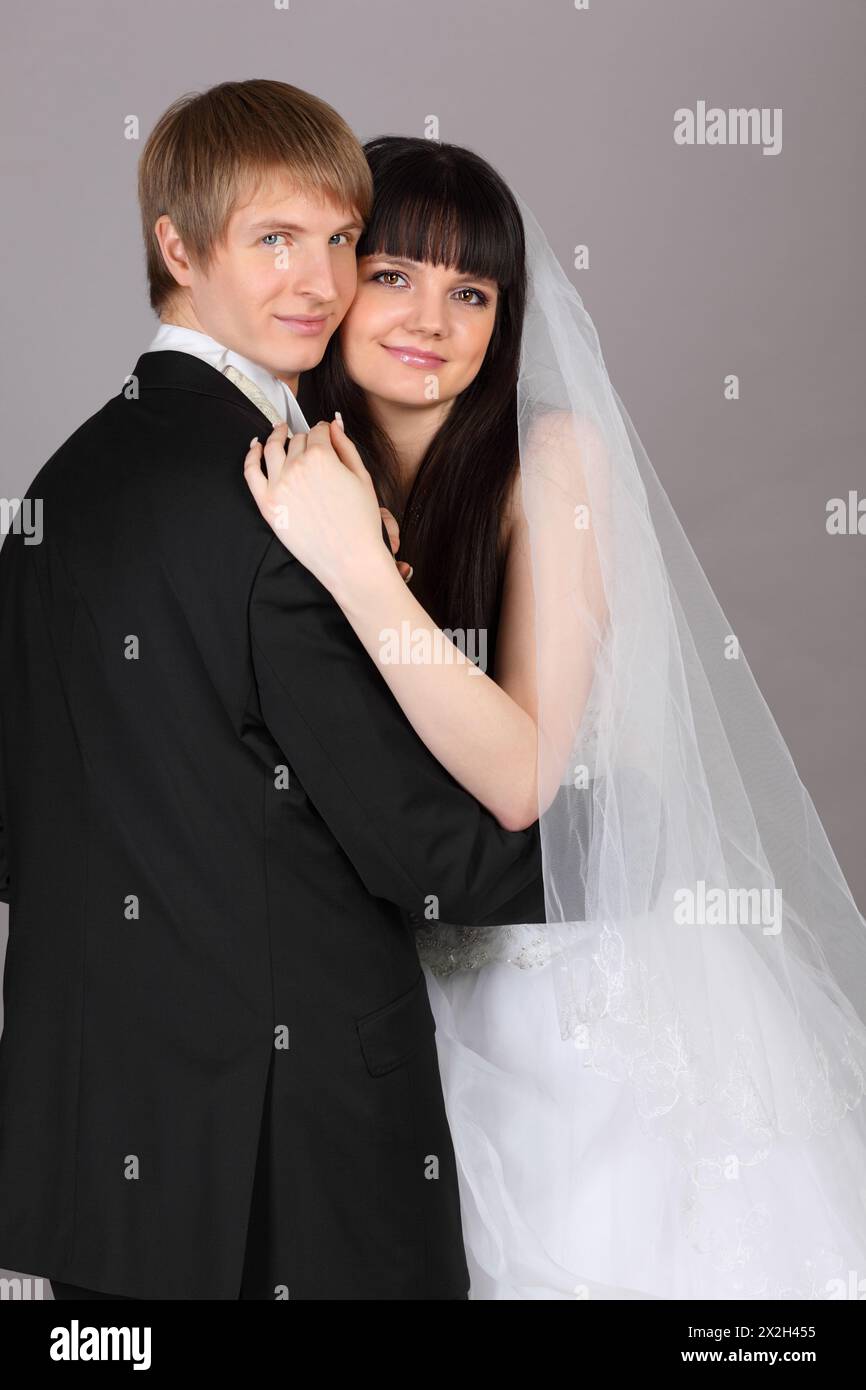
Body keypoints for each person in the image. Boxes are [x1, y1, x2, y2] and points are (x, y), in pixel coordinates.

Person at [245, 135, 866, 1300]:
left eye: (469, 290)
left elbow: (524, 775)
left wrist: (359, 571)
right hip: (398, 978)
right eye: (393, 275)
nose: (430, 315)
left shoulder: (550, 464)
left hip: (565, 981)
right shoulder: (305, 467)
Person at [0, 83, 548, 1301]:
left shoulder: (57, 489)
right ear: (179, 248)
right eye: (273, 240)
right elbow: (429, 853)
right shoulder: (278, 495)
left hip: (101, 1159)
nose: (319, 281)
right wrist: (627, 851)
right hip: (295, 1159)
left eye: (341, 240)